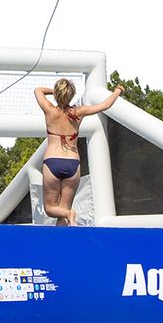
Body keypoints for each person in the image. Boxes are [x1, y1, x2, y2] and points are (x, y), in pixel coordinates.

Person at [34, 79, 124, 226]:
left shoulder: (49, 110)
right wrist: (118, 91)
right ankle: (62, 242)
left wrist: (56, 93)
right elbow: (106, 105)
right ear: (71, 95)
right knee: (63, 208)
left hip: (52, 162)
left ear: (57, 95)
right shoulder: (78, 112)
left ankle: (69, 214)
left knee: (51, 209)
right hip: (72, 163)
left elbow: (38, 90)